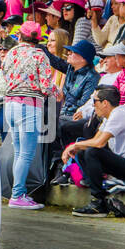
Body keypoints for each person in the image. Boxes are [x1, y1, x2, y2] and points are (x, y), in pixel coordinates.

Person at [0, 20, 58, 210]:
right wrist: (56, 90)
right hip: (29, 106)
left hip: (10, 105)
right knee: (26, 154)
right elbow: (45, 87)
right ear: (37, 39)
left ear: (20, 36)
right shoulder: (40, 56)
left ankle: (18, 193)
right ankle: (17, 195)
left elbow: (5, 77)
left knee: (19, 151)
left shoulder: (11, 53)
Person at [64, 86, 125, 217]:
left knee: (92, 152)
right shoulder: (109, 116)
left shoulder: (119, 114)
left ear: (105, 103)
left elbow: (99, 143)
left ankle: (98, 203)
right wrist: (77, 147)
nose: (93, 105)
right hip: (124, 163)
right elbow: (94, 140)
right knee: (83, 152)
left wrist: (74, 145)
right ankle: (101, 198)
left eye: (95, 101)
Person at [49, 39, 99, 178]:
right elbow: (55, 61)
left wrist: (65, 96)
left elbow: (84, 103)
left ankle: (60, 167)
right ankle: (53, 166)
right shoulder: (71, 68)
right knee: (45, 123)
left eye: (73, 52)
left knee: (56, 125)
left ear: (83, 58)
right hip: (63, 113)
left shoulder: (92, 77)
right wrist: (38, 47)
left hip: (76, 116)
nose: (69, 53)